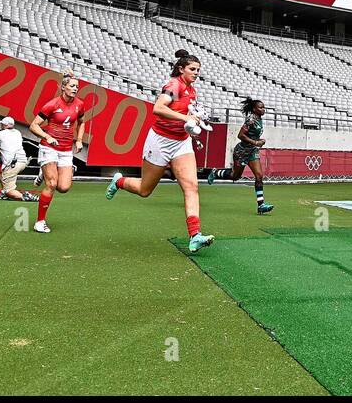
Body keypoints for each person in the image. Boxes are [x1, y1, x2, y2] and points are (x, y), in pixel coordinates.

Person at [107, 50, 214, 254]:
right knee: (144, 190)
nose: (196, 73)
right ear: (181, 69)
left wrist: (195, 119)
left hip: (181, 143)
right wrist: (186, 119)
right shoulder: (173, 86)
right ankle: (119, 181)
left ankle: (195, 235)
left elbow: (184, 113)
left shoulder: (192, 90)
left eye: (198, 70)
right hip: (159, 141)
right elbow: (158, 108)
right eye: (193, 69)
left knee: (191, 186)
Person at [29, 73, 88, 234]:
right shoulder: (52, 104)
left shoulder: (80, 104)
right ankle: (40, 222)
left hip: (66, 150)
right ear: (63, 87)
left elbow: (82, 122)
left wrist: (79, 140)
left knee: (63, 187)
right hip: (49, 147)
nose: (75, 88)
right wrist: (47, 136)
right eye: (72, 86)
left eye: (77, 86)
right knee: (52, 184)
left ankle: (44, 173)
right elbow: (33, 126)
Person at [207, 98, 274, 215]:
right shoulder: (251, 120)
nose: (263, 109)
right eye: (261, 107)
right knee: (235, 176)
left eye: (264, 107)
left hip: (252, 152)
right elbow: (240, 135)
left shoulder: (259, 119)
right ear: (254, 109)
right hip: (241, 152)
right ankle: (215, 172)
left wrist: (258, 141)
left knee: (259, 176)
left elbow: (252, 136)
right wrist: (256, 142)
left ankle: (261, 205)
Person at [0, 116, 37, 202]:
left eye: (2, 124)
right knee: (1, 170)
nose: (1, 126)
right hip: (23, 162)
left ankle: (25, 196)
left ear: (5, 125)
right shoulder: (17, 132)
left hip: (12, 163)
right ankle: (4, 192)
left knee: (9, 190)